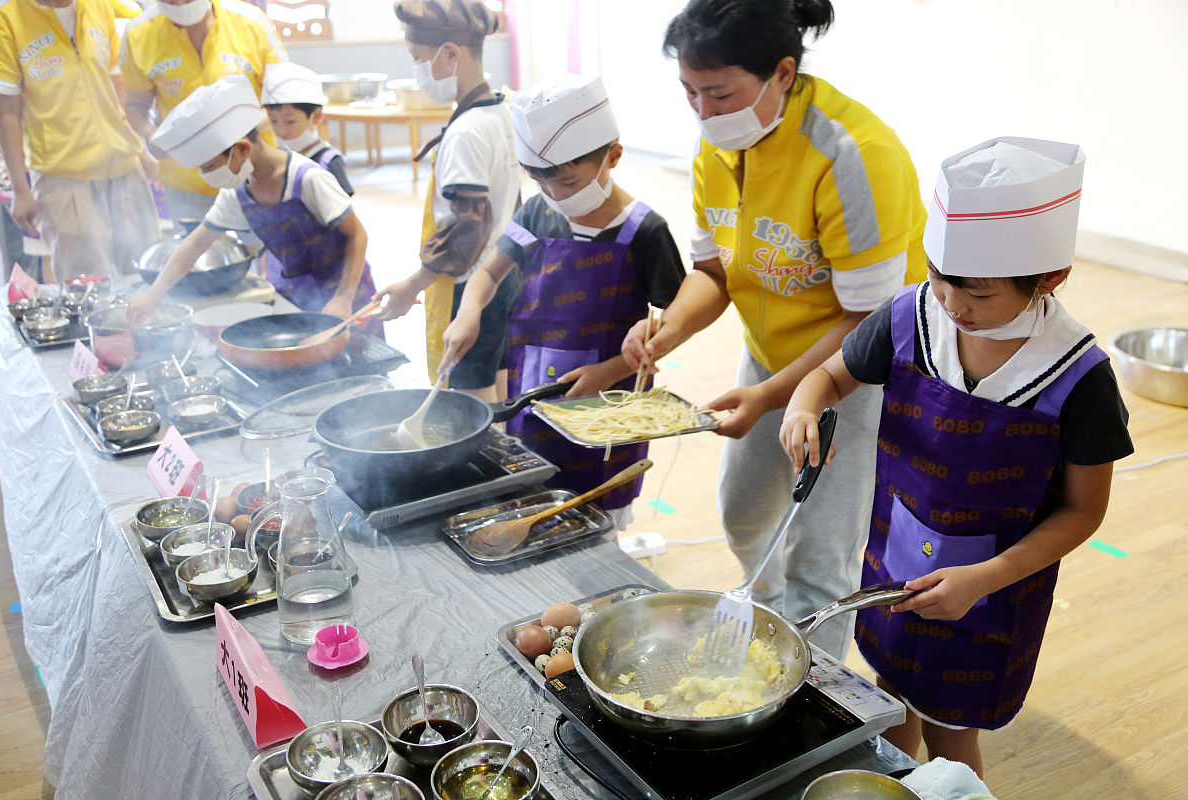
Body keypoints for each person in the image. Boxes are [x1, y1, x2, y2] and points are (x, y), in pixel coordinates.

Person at [781, 138, 1133, 774]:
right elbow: (827, 379)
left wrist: (985, 579)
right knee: (889, 708)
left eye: (977, 291)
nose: (951, 302)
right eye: (939, 276)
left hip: (991, 597)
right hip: (894, 565)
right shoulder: (911, 316)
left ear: (1049, 278)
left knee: (952, 739)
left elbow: (1084, 512)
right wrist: (804, 407)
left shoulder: (1077, 377)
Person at [620, 0, 926, 659]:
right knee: (744, 510)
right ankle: (766, 624)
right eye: (689, 92)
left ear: (783, 73)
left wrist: (776, 396)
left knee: (823, 550)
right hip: (772, 353)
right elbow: (716, 272)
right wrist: (668, 327)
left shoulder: (854, 156)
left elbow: (869, 320)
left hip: (856, 369)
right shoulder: (720, 142)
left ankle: (816, 685)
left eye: (718, 92)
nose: (702, 110)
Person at [442, 75, 685, 524]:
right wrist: (469, 311)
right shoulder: (537, 211)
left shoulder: (645, 231)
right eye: (541, 182)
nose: (555, 196)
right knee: (532, 486)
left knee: (597, 510)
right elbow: (489, 273)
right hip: (534, 386)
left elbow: (673, 324)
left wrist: (608, 373)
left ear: (612, 156)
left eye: (569, 183)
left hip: (608, 400)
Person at [126, 76, 376, 321]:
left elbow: (357, 234)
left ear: (243, 148)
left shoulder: (309, 179)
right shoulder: (236, 192)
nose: (206, 175)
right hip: (296, 292)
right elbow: (194, 245)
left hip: (348, 291)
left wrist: (343, 298)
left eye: (210, 166)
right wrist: (153, 295)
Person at [371, 0, 520, 401]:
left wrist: (410, 285)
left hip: (470, 286)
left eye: (418, 59)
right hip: (503, 275)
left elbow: (466, 230)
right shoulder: (502, 110)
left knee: (473, 402)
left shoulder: (467, 132)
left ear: (450, 54)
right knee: (498, 385)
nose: (416, 72)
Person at [0, 0, 161, 283]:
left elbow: (117, 93)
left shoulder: (99, 6)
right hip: (63, 181)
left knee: (147, 274)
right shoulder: (9, 18)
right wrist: (21, 189)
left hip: (125, 170)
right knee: (87, 287)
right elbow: (6, 111)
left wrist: (141, 153)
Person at [120, 0, 285, 232]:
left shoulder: (251, 22)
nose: (179, 4)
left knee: (260, 257)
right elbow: (135, 106)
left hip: (254, 177)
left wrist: (233, 133)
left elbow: (283, 101)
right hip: (186, 187)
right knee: (199, 262)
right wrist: (154, 136)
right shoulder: (139, 33)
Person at [261, 62, 354, 196]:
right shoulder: (277, 159)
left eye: (290, 121)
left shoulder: (329, 162)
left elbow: (344, 212)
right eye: (273, 121)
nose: (281, 131)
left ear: (316, 116)